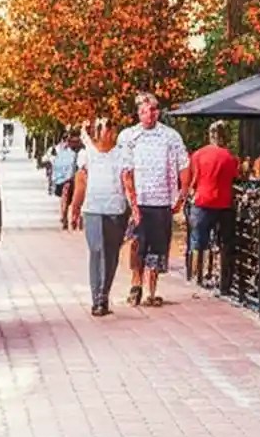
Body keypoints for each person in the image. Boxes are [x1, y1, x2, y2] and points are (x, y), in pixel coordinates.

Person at [119, 92, 191, 307]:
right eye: (143, 111)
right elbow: (126, 171)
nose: (148, 115)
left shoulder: (171, 137)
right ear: (138, 113)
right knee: (137, 244)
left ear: (157, 111)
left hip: (162, 202)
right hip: (140, 201)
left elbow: (184, 165)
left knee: (158, 248)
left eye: (151, 110)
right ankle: (135, 284)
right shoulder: (129, 136)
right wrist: (132, 202)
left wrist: (182, 194)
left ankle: (152, 290)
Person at [70, 118, 132, 317]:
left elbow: (128, 182)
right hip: (93, 209)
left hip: (116, 210)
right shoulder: (86, 154)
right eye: (104, 128)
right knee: (97, 251)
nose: (108, 132)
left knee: (111, 253)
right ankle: (97, 298)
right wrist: (75, 208)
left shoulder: (123, 153)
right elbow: (80, 183)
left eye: (111, 127)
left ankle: (103, 294)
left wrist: (134, 207)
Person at [187, 121, 239, 295]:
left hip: (202, 201)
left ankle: (197, 277)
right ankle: (224, 283)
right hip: (224, 203)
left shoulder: (198, 155)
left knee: (197, 241)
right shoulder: (230, 157)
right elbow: (234, 178)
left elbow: (193, 179)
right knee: (225, 243)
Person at [52, 131, 81, 231]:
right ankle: (65, 218)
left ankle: (73, 219)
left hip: (77, 179)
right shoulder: (64, 152)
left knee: (73, 200)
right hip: (68, 180)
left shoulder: (80, 151)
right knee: (66, 198)